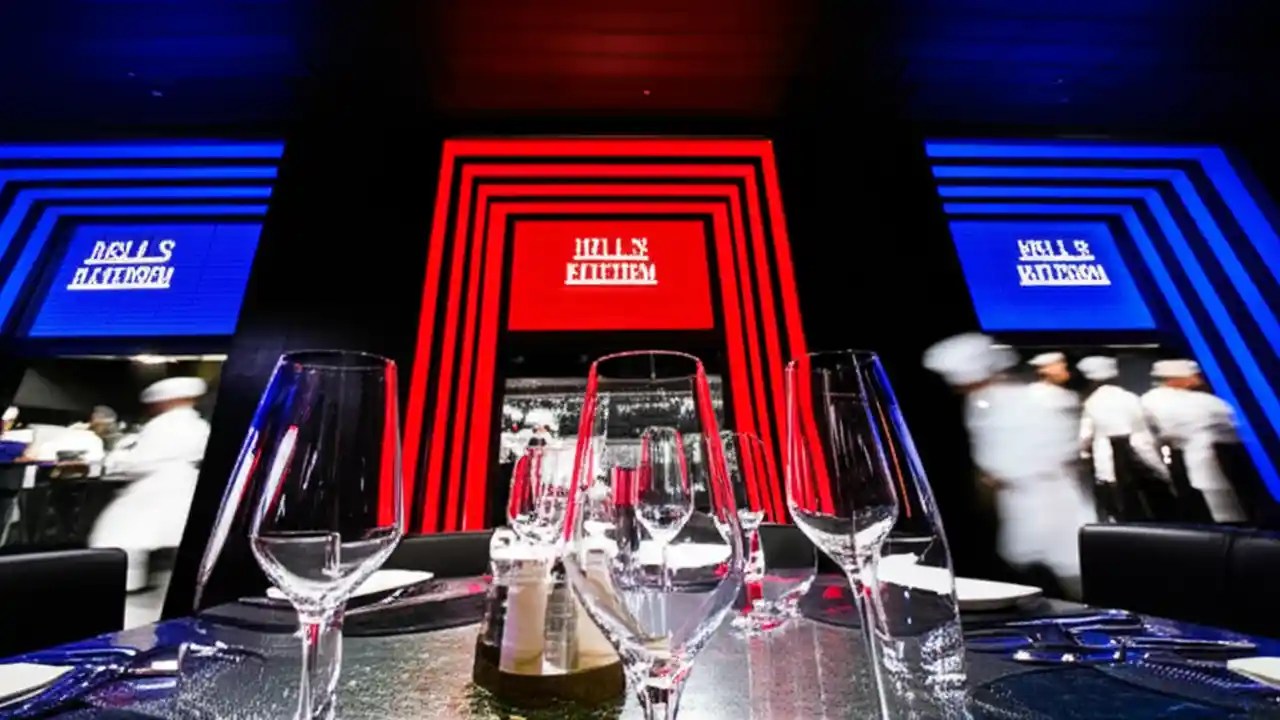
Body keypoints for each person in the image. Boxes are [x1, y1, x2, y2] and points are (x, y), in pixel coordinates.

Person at [924, 334, 1096, 598]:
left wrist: (1004, 473)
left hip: (1053, 498)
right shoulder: (979, 404)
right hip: (1018, 501)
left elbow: (1062, 449)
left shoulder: (1038, 399)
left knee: (1075, 574)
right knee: (1028, 569)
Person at [92, 377, 212, 590]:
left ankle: (123, 585)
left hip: (155, 488)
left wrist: (116, 460)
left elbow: (143, 460)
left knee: (118, 534)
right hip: (183, 485)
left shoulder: (163, 425)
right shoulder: (199, 425)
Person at [1141, 360, 1246, 523]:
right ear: (1175, 378)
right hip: (1195, 461)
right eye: (1193, 375)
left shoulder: (1201, 399)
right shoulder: (1157, 400)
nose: (1199, 379)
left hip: (1211, 460)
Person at [1076, 356, 1171, 521]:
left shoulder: (1092, 402)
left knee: (1121, 506)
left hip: (1109, 463)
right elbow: (1151, 426)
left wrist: (1083, 456)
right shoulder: (1131, 397)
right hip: (1144, 455)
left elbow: (1085, 437)